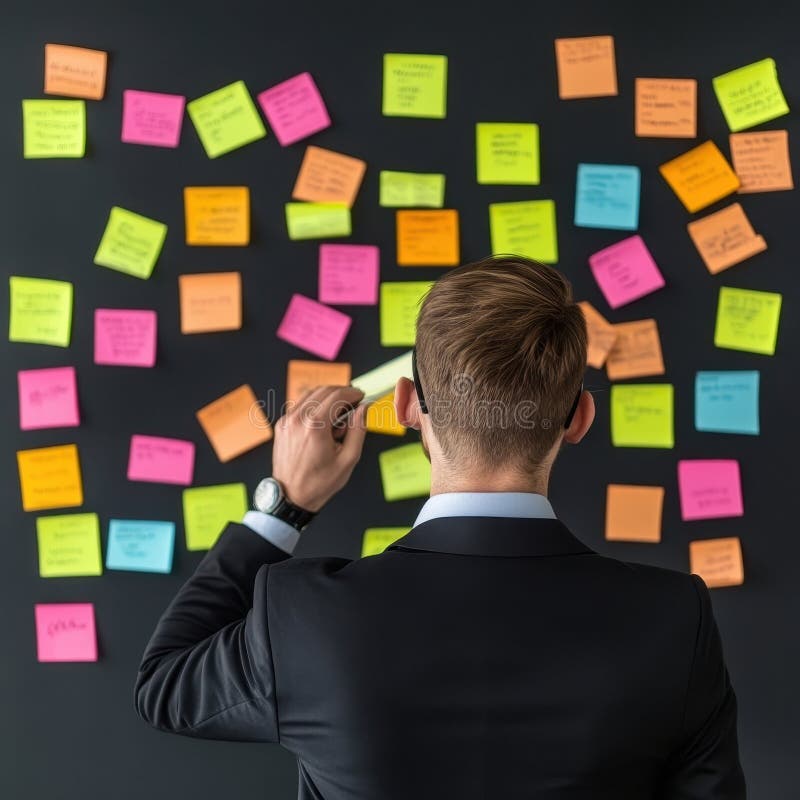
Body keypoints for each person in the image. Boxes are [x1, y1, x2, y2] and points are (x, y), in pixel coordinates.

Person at [135, 256, 746, 799]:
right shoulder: (674, 619)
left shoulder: (301, 615)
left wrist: (283, 508)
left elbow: (164, 684)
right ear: (581, 418)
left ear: (404, 407)